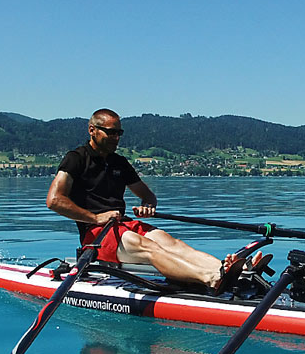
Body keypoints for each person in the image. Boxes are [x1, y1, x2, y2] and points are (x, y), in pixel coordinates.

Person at [46, 108, 265, 290]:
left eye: (119, 133)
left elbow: (148, 196)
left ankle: (233, 270)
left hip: (124, 225)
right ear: (92, 130)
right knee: (146, 246)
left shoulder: (119, 163)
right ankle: (211, 278)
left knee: (172, 242)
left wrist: (147, 207)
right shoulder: (76, 159)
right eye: (111, 133)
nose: (116, 138)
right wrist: (94, 218)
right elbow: (54, 200)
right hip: (95, 236)